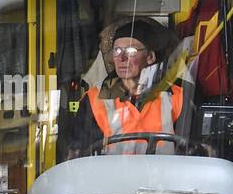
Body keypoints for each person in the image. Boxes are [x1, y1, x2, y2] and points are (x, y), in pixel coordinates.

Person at [64, 17, 186, 157]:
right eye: (116, 51)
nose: (121, 58)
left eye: (131, 51)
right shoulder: (94, 100)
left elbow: (192, 153)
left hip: (164, 178)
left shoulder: (177, 98)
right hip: (113, 178)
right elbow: (78, 156)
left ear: (150, 57)